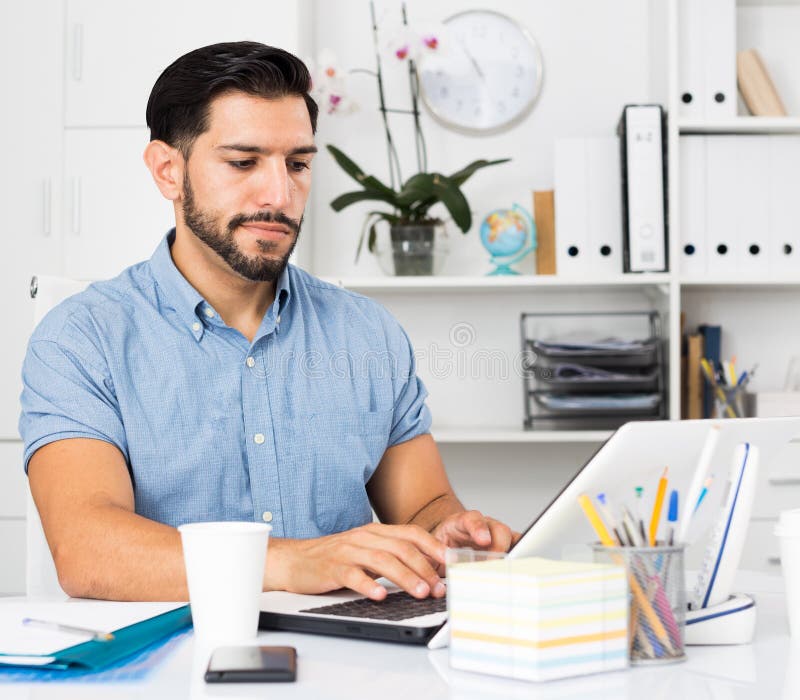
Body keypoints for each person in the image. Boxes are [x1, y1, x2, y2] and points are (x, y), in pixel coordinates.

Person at [18, 42, 515, 603]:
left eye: (298, 164)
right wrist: (287, 562)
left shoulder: (367, 332)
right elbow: (88, 550)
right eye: (243, 162)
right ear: (167, 171)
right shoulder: (81, 338)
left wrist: (447, 535)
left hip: (350, 662)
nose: (281, 195)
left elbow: (424, 507)